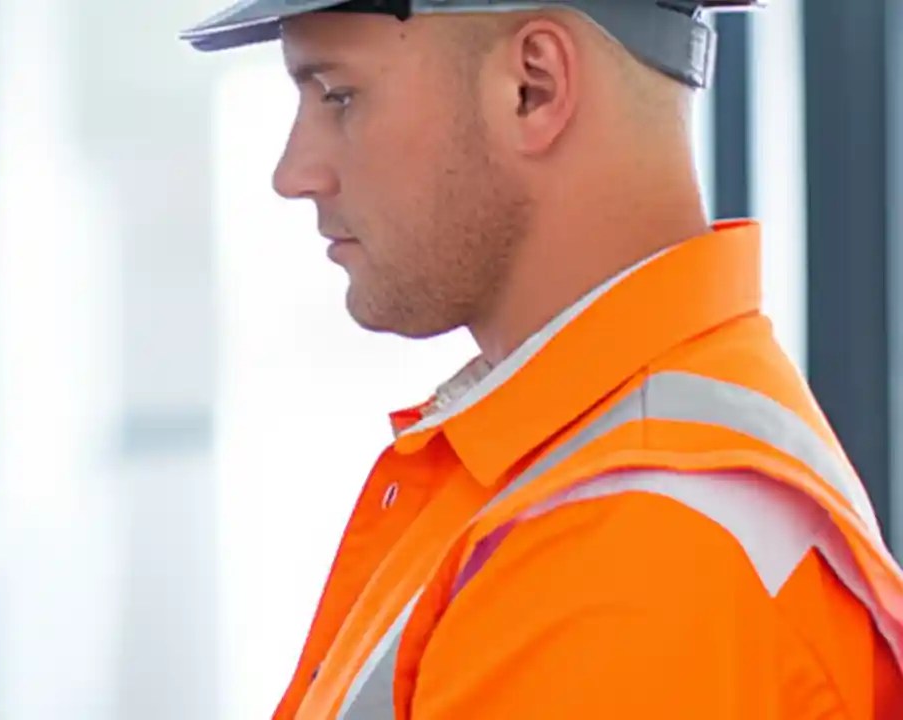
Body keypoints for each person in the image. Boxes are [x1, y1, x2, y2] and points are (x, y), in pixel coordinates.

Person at [182, 1, 903, 718]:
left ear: (534, 87)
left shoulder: (632, 546)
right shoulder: (569, 469)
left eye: (340, 96)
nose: (294, 172)